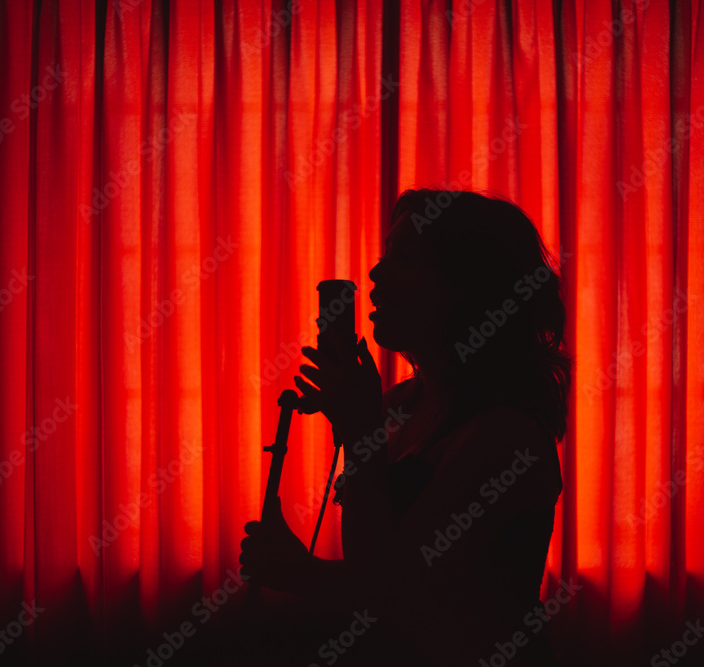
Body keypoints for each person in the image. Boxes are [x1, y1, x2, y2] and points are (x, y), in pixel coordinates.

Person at [240, 189, 570, 665]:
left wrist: (359, 433)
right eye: (384, 256)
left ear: (469, 286)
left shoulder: (505, 436)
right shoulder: (398, 405)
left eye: (407, 258)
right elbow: (374, 567)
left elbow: (392, 592)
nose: (375, 274)